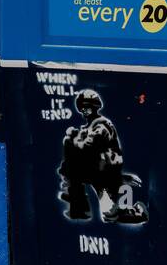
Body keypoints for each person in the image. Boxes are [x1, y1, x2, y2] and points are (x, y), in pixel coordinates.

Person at [58, 89, 148, 224]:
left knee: (109, 215)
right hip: (92, 172)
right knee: (69, 169)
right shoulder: (85, 128)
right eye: (83, 106)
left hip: (104, 174)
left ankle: (138, 212)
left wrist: (72, 139)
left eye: (88, 106)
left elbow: (88, 146)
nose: (85, 109)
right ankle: (79, 207)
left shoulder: (102, 125)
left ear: (95, 107)